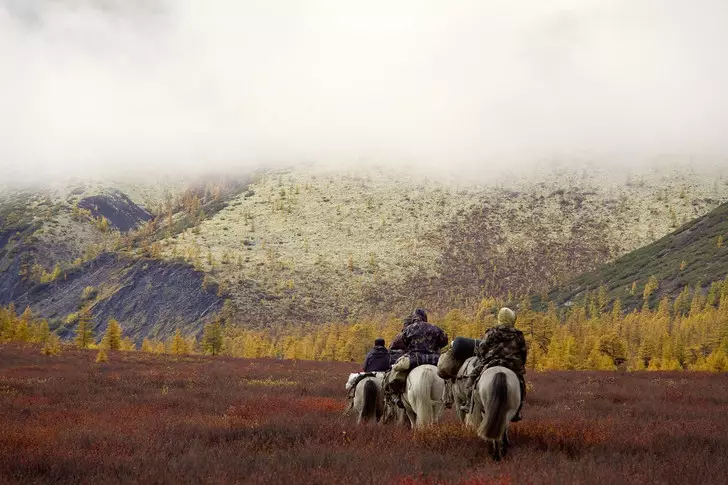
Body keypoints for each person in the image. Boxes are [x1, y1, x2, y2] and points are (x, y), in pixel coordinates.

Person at [462, 307, 527, 422]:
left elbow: (482, 348)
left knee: (472, 377)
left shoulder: (492, 332)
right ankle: (517, 411)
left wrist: (482, 359)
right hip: (512, 364)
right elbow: (523, 352)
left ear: (500, 319)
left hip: (491, 362)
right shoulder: (518, 335)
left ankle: (468, 403)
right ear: (512, 319)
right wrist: (520, 364)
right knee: (521, 384)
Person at [386, 308, 448, 407]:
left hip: (414, 359)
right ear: (425, 317)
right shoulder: (435, 328)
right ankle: (449, 396)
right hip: (435, 360)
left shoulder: (408, 329)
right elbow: (444, 341)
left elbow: (404, 342)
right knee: (449, 375)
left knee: (395, 372)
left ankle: (396, 396)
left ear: (414, 318)